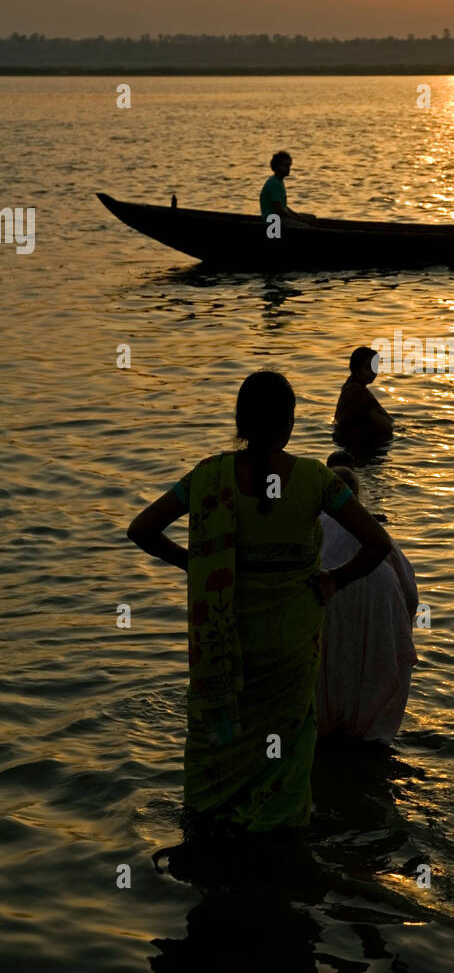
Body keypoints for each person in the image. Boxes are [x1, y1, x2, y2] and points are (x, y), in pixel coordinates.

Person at [127, 369, 391, 833]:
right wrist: (334, 579)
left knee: (218, 746)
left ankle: (212, 827)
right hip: (290, 646)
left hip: (226, 643)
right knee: (284, 746)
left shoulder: (207, 476)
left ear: (240, 422)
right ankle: (277, 833)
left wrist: (197, 564)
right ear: (289, 424)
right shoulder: (314, 478)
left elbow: (142, 529)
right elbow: (377, 543)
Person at [316, 460, 418, 743]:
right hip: (379, 606)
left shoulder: (310, 526)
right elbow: (411, 593)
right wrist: (403, 631)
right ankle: (372, 754)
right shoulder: (371, 528)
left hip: (325, 602)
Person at [334, 346, 394, 454]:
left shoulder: (348, 387)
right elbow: (385, 426)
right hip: (363, 446)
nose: (373, 372)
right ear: (356, 368)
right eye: (368, 368)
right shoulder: (359, 393)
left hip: (348, 442)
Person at [259, 151, 316, 226]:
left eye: (289, 166)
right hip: (273, 220)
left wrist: (295, 214)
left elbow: (283, 206)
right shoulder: (273, 183)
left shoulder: (279, 182)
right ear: (277, 167)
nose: (288, 168)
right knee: (303, 226)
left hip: (280, 217)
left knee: (312, 218)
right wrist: (294, 218)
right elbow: (279, 210)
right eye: (285, 165)